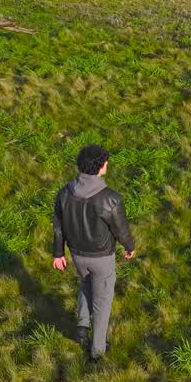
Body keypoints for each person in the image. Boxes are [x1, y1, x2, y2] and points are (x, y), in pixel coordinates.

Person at [51, 144, 136, 362]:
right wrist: (129, 247)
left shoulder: (64, 193)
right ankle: (98, 351)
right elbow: (121, 229)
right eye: (106, 162)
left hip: (77, 256)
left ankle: (81, 326)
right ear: (100, 167)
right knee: (102, 302)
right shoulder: (111, 198)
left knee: (86, 283)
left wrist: (58, 254)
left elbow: (58, 226)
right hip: (102, 258)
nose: (107, 164)